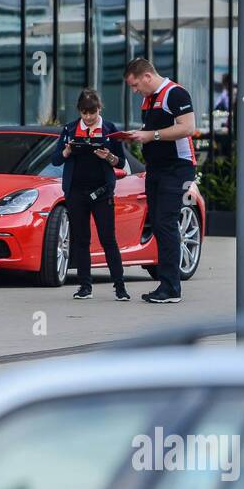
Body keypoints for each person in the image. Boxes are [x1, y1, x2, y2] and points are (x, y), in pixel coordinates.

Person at [121, 58, 197, 304]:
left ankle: (171, 287)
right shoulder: (148, 99)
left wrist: (150, 135)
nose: (135, 91)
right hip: (156, 168)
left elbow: (187, 128)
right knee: (158, 222)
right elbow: (154, 132)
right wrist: (139, 137)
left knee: (166, 223)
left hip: (177, 169)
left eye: (135, 85)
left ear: (146, 76)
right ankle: (165, 284)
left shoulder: (175, 94)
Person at [49, 88, 129, 302]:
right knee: (82, 239)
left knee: (108, 239)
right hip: (76, 191)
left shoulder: (110, 129)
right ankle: (85, 286)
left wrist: (108, 156)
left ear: (99, 109)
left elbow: (121, 162)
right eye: (84, 113)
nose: (88, 117)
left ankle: (120, 287)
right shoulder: (69, 129)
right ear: (79, 111)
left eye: (92, 113)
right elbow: (56, 159)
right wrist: (67, 150)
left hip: (102, 192)